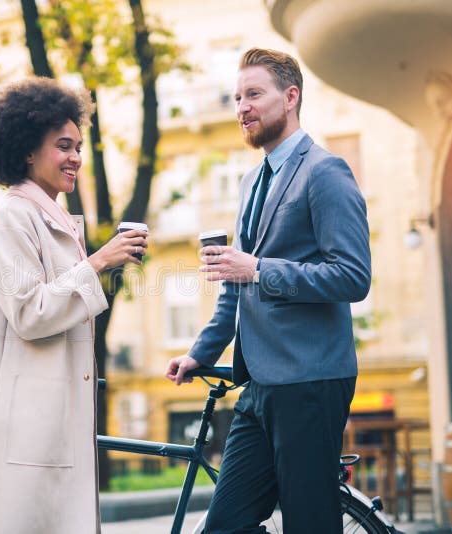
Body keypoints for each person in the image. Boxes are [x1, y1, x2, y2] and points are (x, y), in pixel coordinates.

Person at [165, 48, 371, 533]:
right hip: (257, 386)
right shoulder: (250, 181)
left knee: (309, 523)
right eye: (238, 97)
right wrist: (202, 351)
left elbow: (352, 276)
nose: (242, 107)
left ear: (291, 97)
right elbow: (235, 288)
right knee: (224, 526)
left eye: (254, 94)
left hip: (310, 381)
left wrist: (258, 268)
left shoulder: (325, 171)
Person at [0, 77, 148, 533]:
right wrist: (100, 260)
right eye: (63, 146)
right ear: (27, 151)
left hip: (49, 427)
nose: (76, 158)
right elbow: (30, 312)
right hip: (26, 431)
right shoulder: (10, 218)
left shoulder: (50, 218)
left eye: (79, 146)